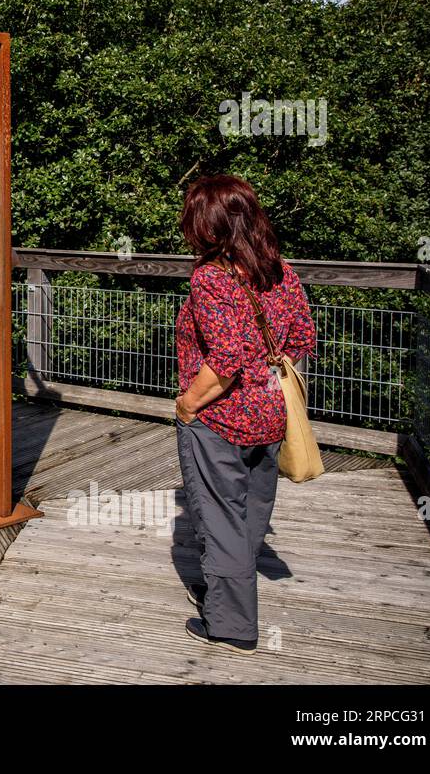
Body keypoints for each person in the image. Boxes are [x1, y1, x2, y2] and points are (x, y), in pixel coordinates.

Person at [174, 174, 317, 654]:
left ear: (208, 225)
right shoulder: (280, 270)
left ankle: (232, 624)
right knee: (252, 512)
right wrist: (266, 379)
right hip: (271, 415)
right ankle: (226, 592)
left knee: (221, 519)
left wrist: (188, 404)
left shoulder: (210, 278)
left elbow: (227, 359)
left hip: (221, 418)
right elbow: (301, 339)